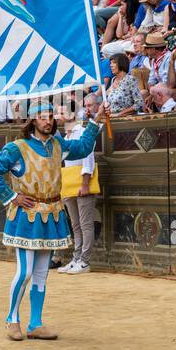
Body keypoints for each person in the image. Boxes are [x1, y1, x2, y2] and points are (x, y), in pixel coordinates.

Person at [0, 103, 107, 340]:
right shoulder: (18, 148)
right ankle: (12, 319)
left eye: (50, 117)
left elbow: (83, 146)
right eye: (42, 117)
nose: (47, 121)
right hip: (27, 217)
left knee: (40, 274)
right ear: (33, 121)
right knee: (25, 272)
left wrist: (96, 120)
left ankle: (35, 323)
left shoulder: (58, 146)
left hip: (51, 214)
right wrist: (11, 196)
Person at [58, 95, 100, 275]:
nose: (57, 115)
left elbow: (87, 159)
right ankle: (76, 258)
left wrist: (85, 184)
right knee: (76, 224)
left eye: (61, 111)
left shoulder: (83, 132)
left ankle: (84, 261)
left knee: (85, 224)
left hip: (81, 183)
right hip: (68, 183)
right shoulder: (63, 135)